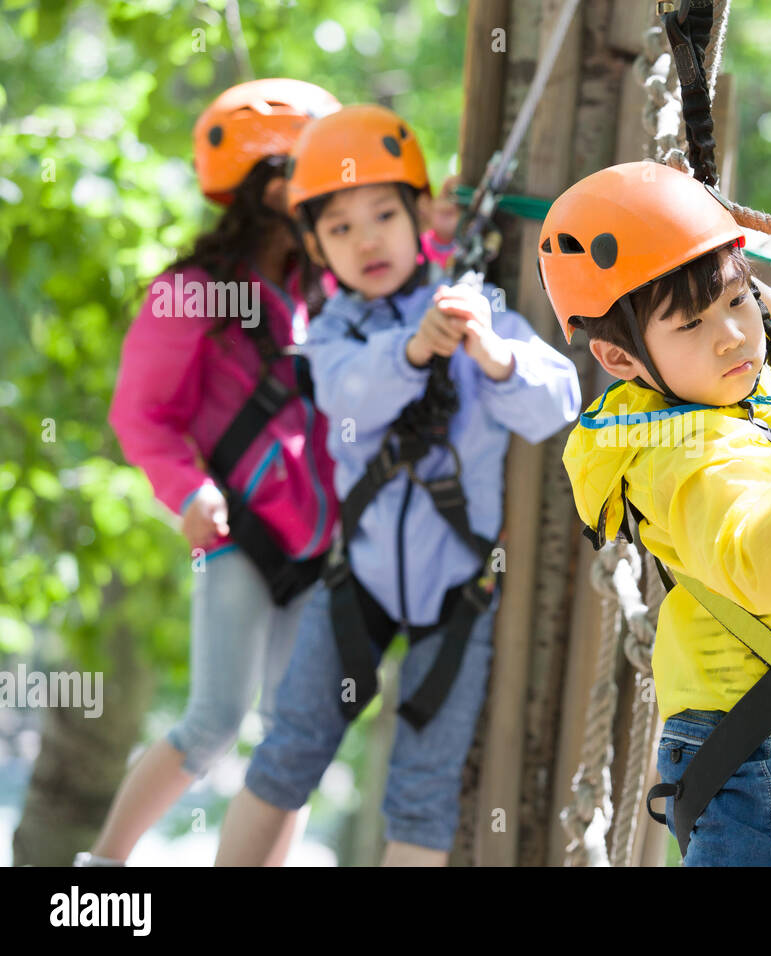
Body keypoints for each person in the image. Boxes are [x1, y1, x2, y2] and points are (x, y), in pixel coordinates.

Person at [214, 105, 581, 866]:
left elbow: (556, 405)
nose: (367, 239)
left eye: (383, 213)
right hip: (359, 582)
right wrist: (416, 349)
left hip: (461, 593)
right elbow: (348, 396)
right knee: (288, 754)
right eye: (340, 228)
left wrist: (491, 355)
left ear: (421, 214)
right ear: (316, 246)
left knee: (422, 791)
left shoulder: (475, 304)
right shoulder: (332, 332)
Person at [546, 161, 771, 866]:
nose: (731, 338)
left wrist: (766, 305)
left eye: (737, 303)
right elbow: (764, 567)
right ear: (619, 357)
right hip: (760, 754)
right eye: (690, 323)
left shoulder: (726, 391)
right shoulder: (676, 453)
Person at [83, 79, 342, 866]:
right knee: (214, 721)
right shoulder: (193, 293)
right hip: (238, 532)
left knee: (296, 735)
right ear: (262, 187)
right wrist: (186, 489)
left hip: (317, 547)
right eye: (307, 175)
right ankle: (102, 869)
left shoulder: (330, 292)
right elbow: (141, 417)